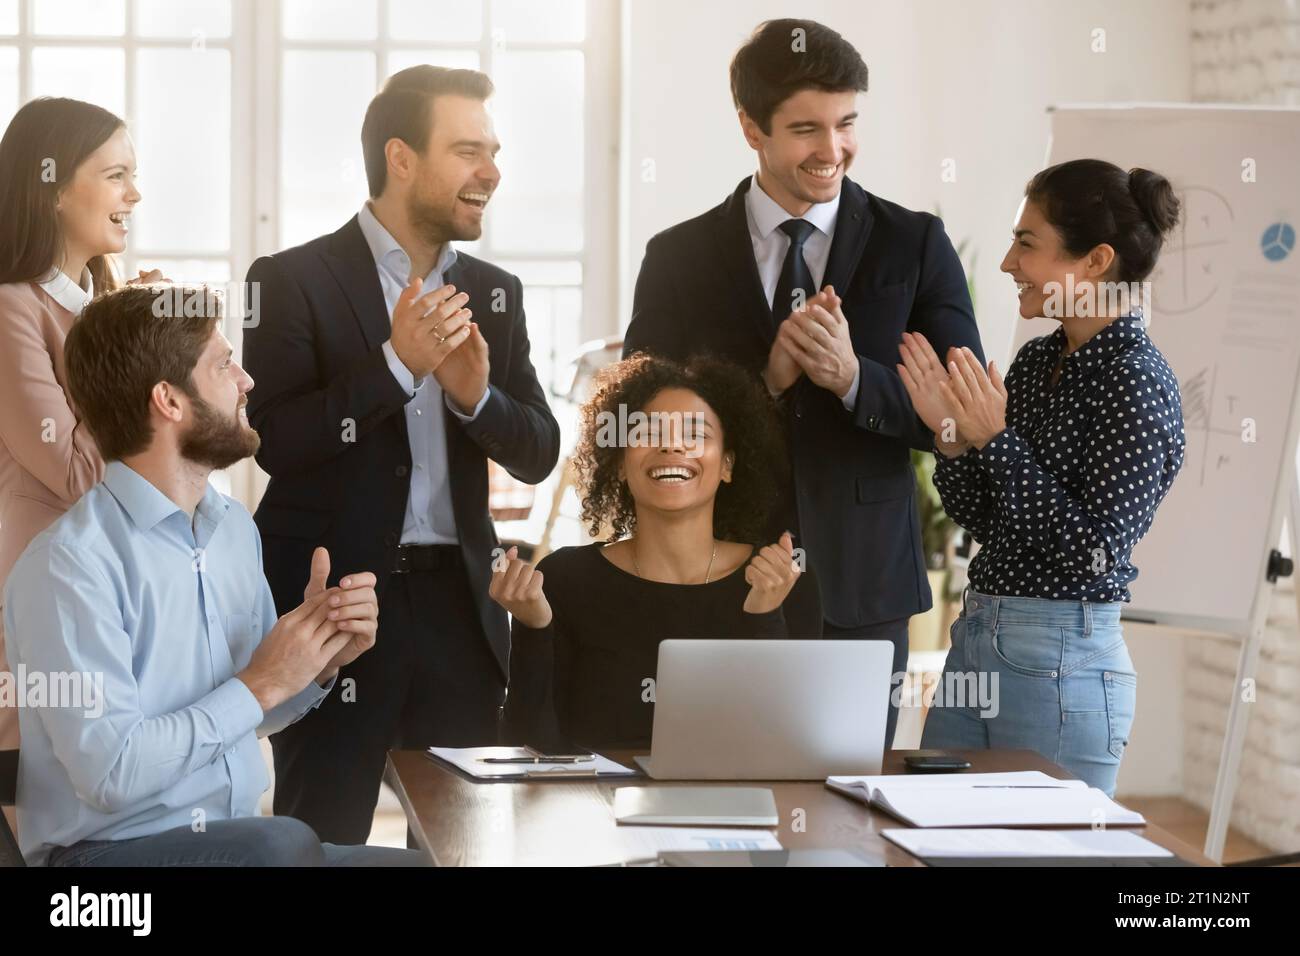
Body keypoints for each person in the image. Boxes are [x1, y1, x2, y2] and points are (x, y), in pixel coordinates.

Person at [621, 19, 985, 748]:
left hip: (863, 589)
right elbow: (641, 422)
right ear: (751, 128)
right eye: (805, 129)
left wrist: (855, 381)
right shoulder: (678, 256)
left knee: (845, 817)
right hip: (714, 574)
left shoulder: (913, 244)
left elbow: (960, 419)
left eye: (847, 124)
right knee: (714, 809)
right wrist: (764, 383)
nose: (832, 151)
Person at [243, 65, 560, 844]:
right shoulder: (290, 281)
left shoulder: (496, 291)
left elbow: (540, 451)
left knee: (464, 843)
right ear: (401, 158)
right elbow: (277, 442)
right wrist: (394, 366)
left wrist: (476, 400)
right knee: (320, 842)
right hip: (336, 612)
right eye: (467, 151)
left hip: (460, 608)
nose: (491, 172)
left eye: (493, 151)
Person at [4, 284, 423, 865]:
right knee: (283, 845)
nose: (247, 381)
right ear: (169, 401)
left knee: (430, 862)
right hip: (100, 866)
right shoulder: (69, 564)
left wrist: (316, 661)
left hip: (239, 846)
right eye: (224, 364)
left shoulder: (231, 529)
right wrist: (263, 682)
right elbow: (112, 773)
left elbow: (251, 709)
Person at [899, 159, 1187, 796]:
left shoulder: (1135, 380)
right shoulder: (1035, 362)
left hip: (1062, 659)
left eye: (1026, 244)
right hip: (978, 639)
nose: (1007, 263)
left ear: (1094, 262)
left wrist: (996, 442)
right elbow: (990, 521)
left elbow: (1096, 550)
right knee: (940, 840)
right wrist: (950, 434)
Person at [494, 354, 821, 752]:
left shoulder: (780, 580)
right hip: (596, 810)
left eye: (695, 434)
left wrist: (764, 619)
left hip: (734, 810)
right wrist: (533, 628)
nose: (671, 447)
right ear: (618, 464)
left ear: (727, 466)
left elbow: (787, 753)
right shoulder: (564, 580)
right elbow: (526, 748)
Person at [0, 97, 165, 764]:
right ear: (54, 188)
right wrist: (138, 346)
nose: (135, 193)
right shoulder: (12, 309)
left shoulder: (101, 303)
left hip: (116, 588)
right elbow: (76, 474)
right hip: (43, 596)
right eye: (116, 174)